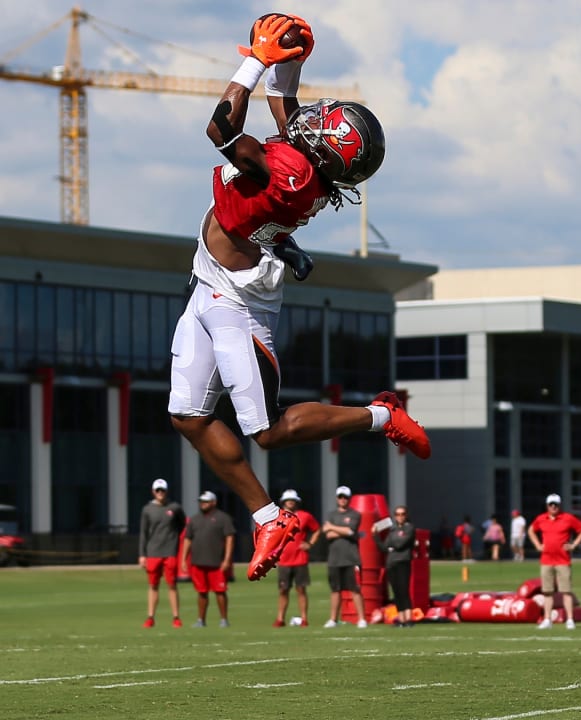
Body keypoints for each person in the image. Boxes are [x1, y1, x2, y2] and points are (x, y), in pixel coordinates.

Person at [165, 12, 430, 584]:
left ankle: (380, 415)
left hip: (237, 302)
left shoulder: (291, 173)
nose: (314, 118)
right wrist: (291, 60)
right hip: (210, 277)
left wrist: (257, 62)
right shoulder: (306, 164)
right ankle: (269, 517)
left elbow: (220, 127)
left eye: (324, 123)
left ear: (324, 149)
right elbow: (285, 106)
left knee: (268, 431)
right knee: (187, 416)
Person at [529, 493, 581, 630]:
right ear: (547, 506)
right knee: (547, 592)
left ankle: (570, 619)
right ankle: (547, 620)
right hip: (546, 560)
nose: (553, 507)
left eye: (555, 504)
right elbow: (531, 530)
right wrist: (537, 545)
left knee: (566, 591)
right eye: (551, 504)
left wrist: (574, 545)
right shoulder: (541, 519)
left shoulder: (567, 518)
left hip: (563, 560)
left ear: (559, 505)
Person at [181, 490, 236, 628]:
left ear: (213, 502)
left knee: (220, 591)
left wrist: (227, 559)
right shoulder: (194, 519)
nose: (203, 504)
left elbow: (229, 538)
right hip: (198, 562)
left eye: (206, 501)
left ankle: (224, 619)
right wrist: (183, 559)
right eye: (201, 501)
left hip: (217, 563)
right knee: (201, 592)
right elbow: (187, 539)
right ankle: (201, 620)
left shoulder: (223, 518)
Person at [139, 478, 186, 628]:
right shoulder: (147, 509)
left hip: (170, 551)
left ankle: (176, 617)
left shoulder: (175, 508)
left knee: (172, 584)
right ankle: (150, 617)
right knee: (153, 585)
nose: (160, 493)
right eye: (158, 490)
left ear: (167, 491)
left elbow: (182, 524)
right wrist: (142, 554)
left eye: (163, 490)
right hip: (153, 552)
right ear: (153, 492)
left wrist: (174, 539)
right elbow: (143, 533)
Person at [273, 488, 321, 627]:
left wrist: (310, 544)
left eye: (292, 500)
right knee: (283, 590)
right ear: (283, 502)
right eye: (288, 500)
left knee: (301, 589)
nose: (290, 502)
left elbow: (317, 529)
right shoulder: (277, 517)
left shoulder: (305, 516)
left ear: (296, 502)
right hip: (283, 559)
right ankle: (280, 618)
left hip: (300, 558)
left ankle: (304, 618)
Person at [322, 485, 367, 628]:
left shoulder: (355, 514)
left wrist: (333, 527)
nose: (343, 499)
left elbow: (350, 531)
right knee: (335, 590)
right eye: (340, 497)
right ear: (337, 498)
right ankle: (333, 619)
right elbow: (327, 534)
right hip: (334, 559)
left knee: (355, 589)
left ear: (349, 499)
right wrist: (342, 531)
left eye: (345, 497)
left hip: (351, 558)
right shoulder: (331, 514)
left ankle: (362, 619)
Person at [378, 505, 416, 627]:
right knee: (396, 592)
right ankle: (401, 619)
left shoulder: (409, 528)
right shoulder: (393, 530)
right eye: (398, 514)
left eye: (402, 514)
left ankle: (408, 618)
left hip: (403, 562)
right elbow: (384, 547)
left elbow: (400, 544)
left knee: (404, 590)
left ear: (406, 515)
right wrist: (375, 536)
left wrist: (392, 545)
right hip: (391, 563)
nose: (400, 517)